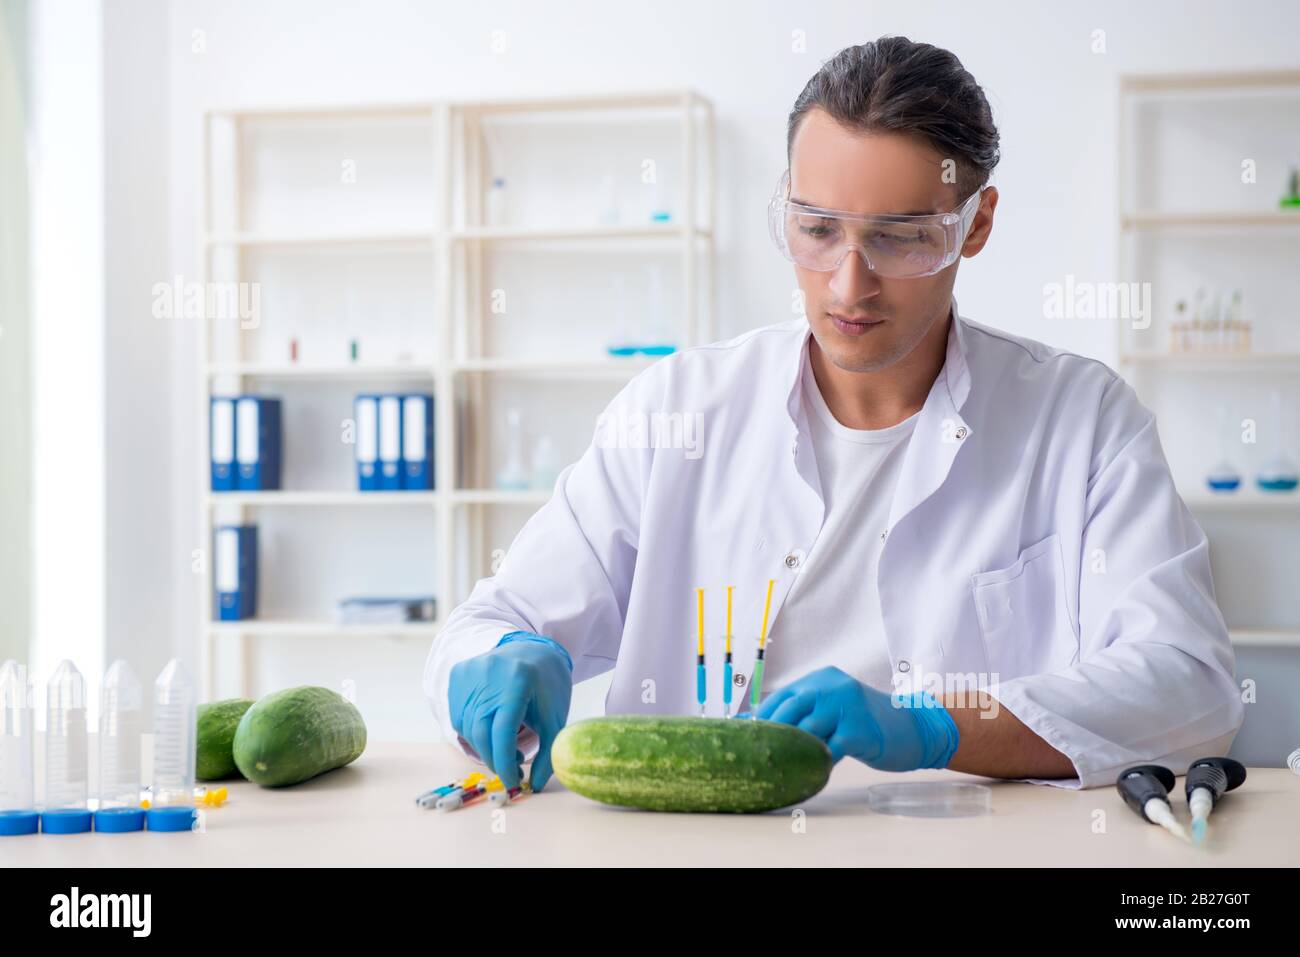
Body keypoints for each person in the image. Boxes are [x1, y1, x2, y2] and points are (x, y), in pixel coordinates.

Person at [423, 36, 1243, 793]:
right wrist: (500, 657)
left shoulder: (1082, 421)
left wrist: (933, 727)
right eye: (816, 229)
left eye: (901, 238)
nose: (849, 285)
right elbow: (488, 623)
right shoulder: (677, 411)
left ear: (976, 223)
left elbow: (1188, 683)